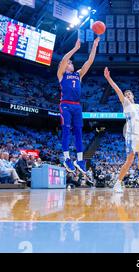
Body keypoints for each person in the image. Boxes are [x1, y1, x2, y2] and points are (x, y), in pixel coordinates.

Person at [57, 37, 100, 174]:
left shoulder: (78, 75)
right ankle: (67, 158)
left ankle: (80, 160)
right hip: (65, 105)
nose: (71, 63)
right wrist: (75, 48)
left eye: (71, 63)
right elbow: (64, 59)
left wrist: (94, 46)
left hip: (77, 106)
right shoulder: (61, 74)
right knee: (66, 129)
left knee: (79, 133)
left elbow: (89, 62)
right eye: (69, 63)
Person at [104, 67, 139, 193]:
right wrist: (109, 78)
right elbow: (117, 90)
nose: (127, 95)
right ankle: (117, 183)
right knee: (130, 160)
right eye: (126, 95)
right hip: (131, 136)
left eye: (129, 94)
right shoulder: (126, 104)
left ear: (133, 95)